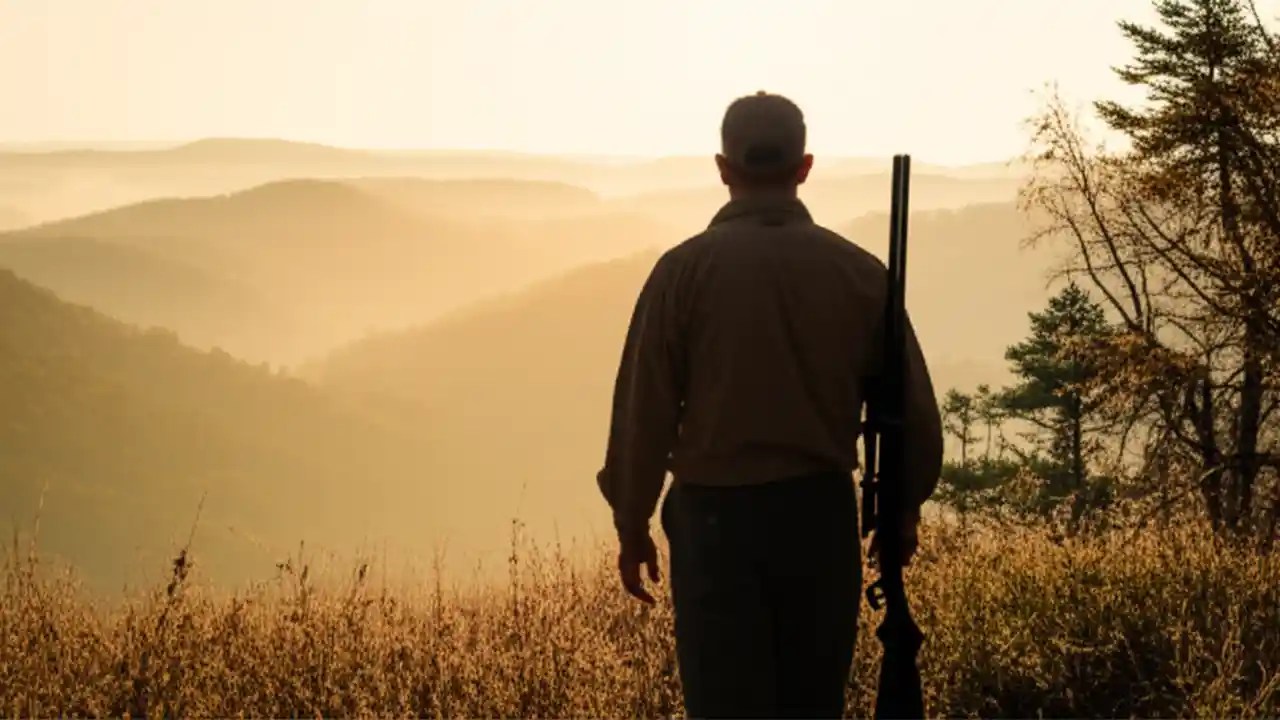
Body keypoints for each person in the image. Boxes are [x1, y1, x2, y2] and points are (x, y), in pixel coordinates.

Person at [595, 90, 944, 719]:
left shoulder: (681, 273)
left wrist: (631, 520)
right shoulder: (860, 274)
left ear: (723, 167)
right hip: (819, 519)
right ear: (804, 166)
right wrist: (902, 512)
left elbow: (642, 411)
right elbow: (913, 414)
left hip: (713, 526)